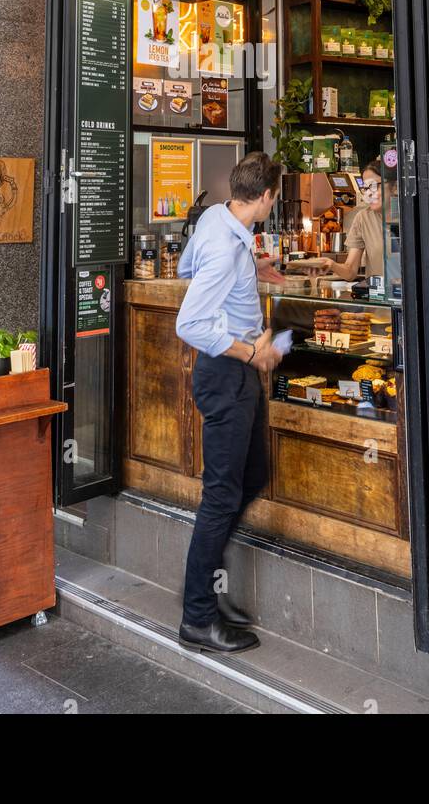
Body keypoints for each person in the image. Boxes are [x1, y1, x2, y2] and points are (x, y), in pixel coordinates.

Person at [175, 151, 285, 653]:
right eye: (275, 194)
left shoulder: (218, 222)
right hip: (227, 375)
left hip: (235, 375)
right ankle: (197, 616)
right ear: (264, 197)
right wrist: (251, 351)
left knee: (255, 474)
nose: (275, 200)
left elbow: (184, 266)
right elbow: (189, 323)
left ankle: (209, 585)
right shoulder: (224, 244)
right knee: (221, 497)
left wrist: (253, 266)